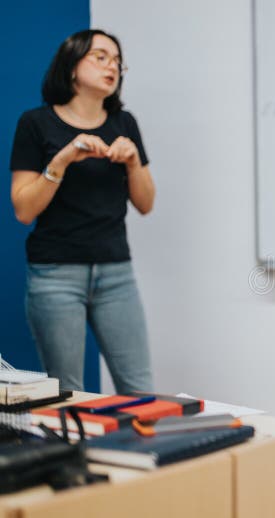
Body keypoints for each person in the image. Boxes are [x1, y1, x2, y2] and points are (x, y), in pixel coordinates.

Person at [9, 29, 155, 393]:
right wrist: (61, 160)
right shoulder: (36, 123)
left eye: (118, 62)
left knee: (140, 390)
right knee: (68, 394)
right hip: (55, 275)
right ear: (72, 66)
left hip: (116, 273)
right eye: (101, 57)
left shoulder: (124, 123)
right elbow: (24, 210)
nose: (112, 67)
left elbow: (145, 204)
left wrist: (133, 162)